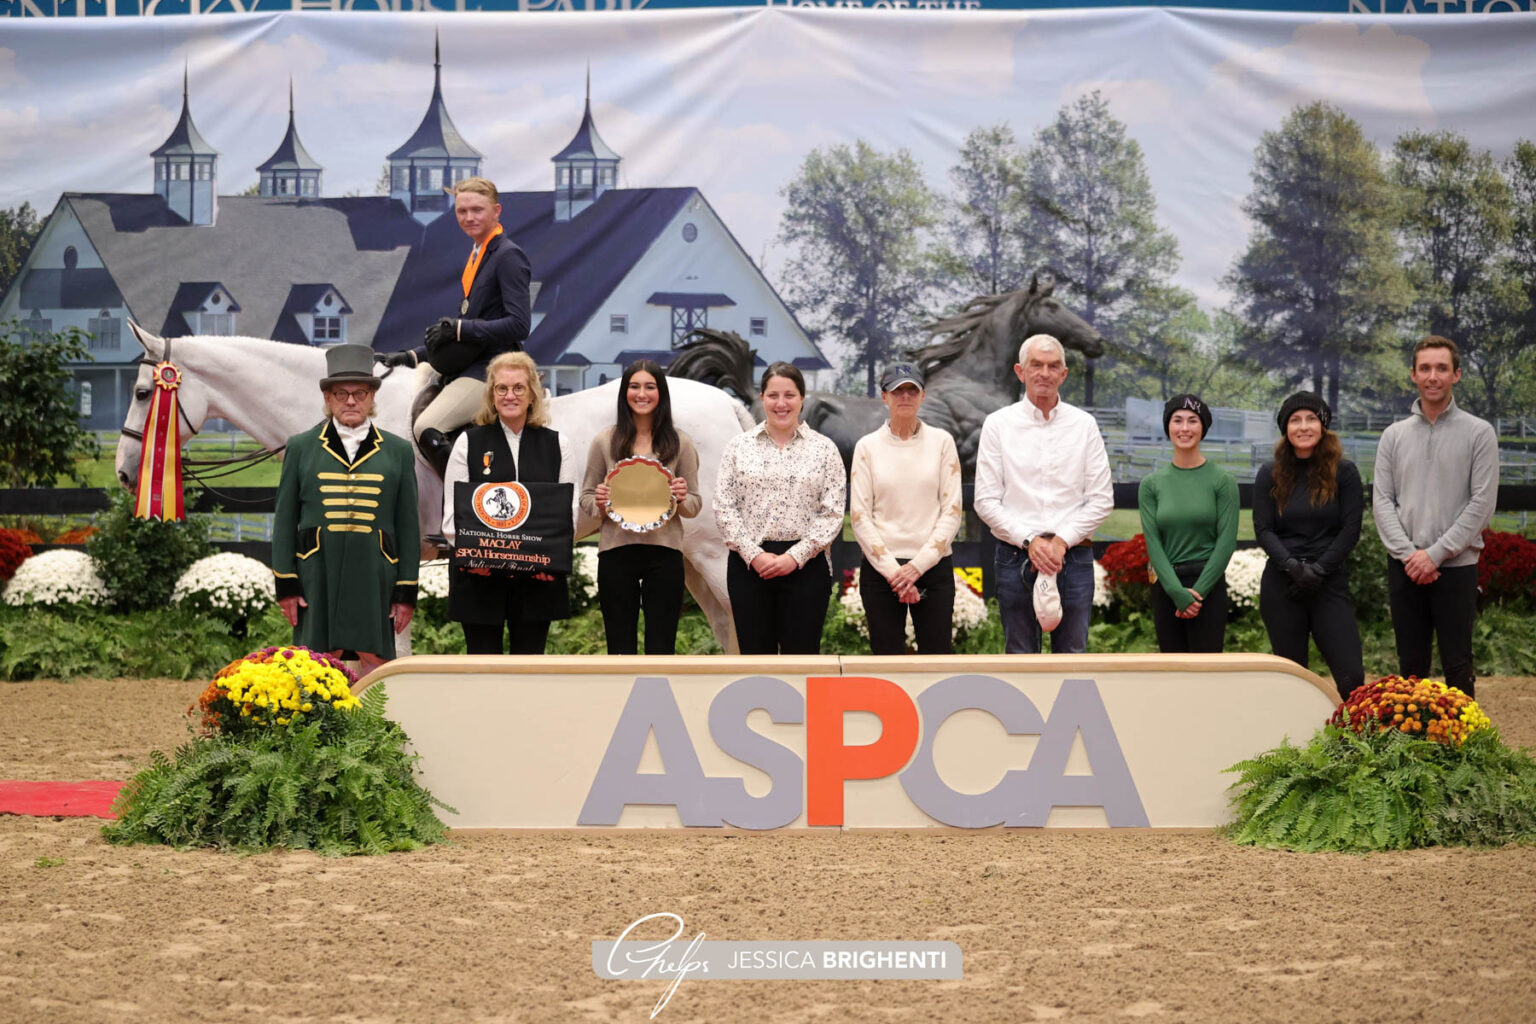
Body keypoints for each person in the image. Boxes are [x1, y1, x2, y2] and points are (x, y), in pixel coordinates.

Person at [272, 344, 419, 673]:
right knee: (314, 665)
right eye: (341, 393)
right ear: (327, 398)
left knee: (377, 663)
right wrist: (286, 582)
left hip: (375, 576)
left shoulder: (398, 451)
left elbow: (408, 526)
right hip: (317, 574)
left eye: (359, 393)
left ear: (372, 397)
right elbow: (284, 521)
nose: (351, 401)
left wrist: (406, 589)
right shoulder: (300, 447)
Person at [1373, 336, 1499, 697]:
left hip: (1456, 566)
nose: (1433, 376)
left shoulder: (1479, 433)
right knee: (1410, 666)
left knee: (1458, 665)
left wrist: (1436, 554)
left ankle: (1464, 735)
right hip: (1405, 566)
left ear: (1456, 374)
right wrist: (1410, 555)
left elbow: (1482, 503)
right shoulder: (1393, 436)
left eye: (1441, 368)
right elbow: (1382, 501)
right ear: (1413, 374)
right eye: (1425, 368)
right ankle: (1415, 735)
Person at [383, 177, 532, 476]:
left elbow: (519, 325)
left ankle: (473, 493)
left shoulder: (507, 255)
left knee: (428, 426)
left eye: (477, 210)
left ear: (496, 211)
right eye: (462, 211)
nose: (468, 217)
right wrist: (411, 356)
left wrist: (461, 329)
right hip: (470, 362)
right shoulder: (479, 254)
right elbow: (466, 330)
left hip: (493, 369)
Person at [975, 333, 1113, 654]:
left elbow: (1102, 499)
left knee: (1073, 658)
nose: (1044, 373)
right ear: (1020, 371)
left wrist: (1061, 541)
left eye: (1053, 366)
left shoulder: (1084, 425)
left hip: (1073, 556)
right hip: (1015, 556)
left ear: (1064, 374)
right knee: (1020, 658)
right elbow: (985, 500)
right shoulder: (998, 425)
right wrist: (1030, 541)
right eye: (1036, 365)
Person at [442, 351, 577, 655]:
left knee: (527, 671)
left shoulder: (559, 445)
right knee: (482, 668)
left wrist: (524, 553)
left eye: (518, 388)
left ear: (533, 394)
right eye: (501, 388)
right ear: (492, 395)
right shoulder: (468, 442)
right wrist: (495, 554)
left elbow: (566, 518)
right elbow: (453, 518)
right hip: (478, 579)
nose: (510, 395)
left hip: (537, 581)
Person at [714, 361, 845, 655]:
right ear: (762, 398)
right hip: (750, 568)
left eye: (789, 395)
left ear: (802, 399)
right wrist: (755, 555)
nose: (781, 403)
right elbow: (724, 508)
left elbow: (833, 514)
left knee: (802, 659)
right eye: (773, 395)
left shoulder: (824, 449)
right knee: (756, 660)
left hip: (807, 567)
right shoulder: (739, 447)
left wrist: (794, 557)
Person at [579, 360, 702, 655]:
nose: (642, 394)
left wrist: (682, 497)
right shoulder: (605, 441)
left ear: (661, 393)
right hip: (616, 552)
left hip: (665, 554)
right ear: (625, 392)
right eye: (634, 386)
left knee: (662, 646)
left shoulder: (680, 442)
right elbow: (586, 498)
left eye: (650, 387)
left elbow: (694, 504)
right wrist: (599, 502)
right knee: (619, 647)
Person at [1253, 392, 1365, 699]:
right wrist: (1293, 568)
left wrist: (1317, 571)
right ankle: (1295, 731)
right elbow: (1263, 529)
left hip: (1328, 583)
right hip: (1283, 585)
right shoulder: (1269, 474)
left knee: (1351, 675)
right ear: (1285, 428)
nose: (1303, 426)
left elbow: (1350, 529)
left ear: (1323, 425)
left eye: (1311, 419)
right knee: (1292, 680)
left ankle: (1352, 730)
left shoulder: (1345, 472)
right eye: (1295, 420)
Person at [849, 362, 964, 655]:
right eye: (897, 391)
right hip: (881, 571)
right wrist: (895, 572)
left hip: (933, 567)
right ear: (884, 396)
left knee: (937, 657)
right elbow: (860, 517)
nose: (905, 396)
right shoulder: (867, 447)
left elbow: (952, 511)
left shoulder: (942, 442)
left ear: (922, 395)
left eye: (912, 390)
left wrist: (917, 567)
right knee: (886, 658)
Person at [1137, 394, 1239, 654]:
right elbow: (1153, 543)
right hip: (1167, 587)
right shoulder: (1151, 485)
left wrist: (1197, 594)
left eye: (1193, 421)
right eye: (1177, 420)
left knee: (1207, 672)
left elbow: (1226, 543)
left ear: (1203, 428)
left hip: (1207, 587)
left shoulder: (1223, 481)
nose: (1185, 428)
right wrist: (1176, 592)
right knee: (1173, 671)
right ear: (1168, 427)